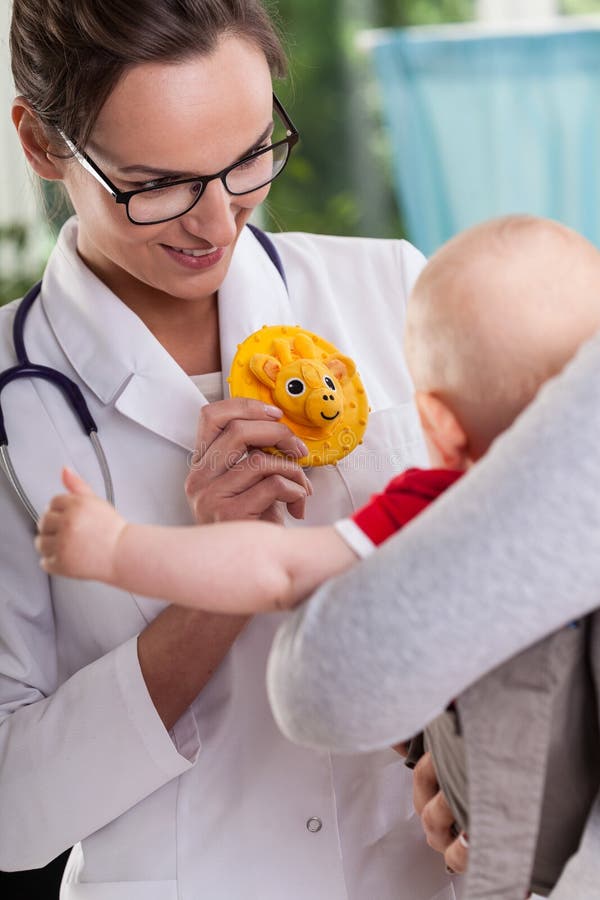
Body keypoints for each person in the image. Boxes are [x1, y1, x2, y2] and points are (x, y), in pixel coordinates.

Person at [0, 2, 455, 899]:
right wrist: (213, 585)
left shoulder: (397, 289)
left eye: (248, 157)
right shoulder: (15, 409)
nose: (217, 222)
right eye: (157, 183)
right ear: (43, 145)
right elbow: (11, 809)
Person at [35, 215, 600, 900]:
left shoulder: (437, 504)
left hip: (506, 807)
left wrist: (119, 547)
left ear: (441, 428)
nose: (213, 208)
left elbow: (276, 568)